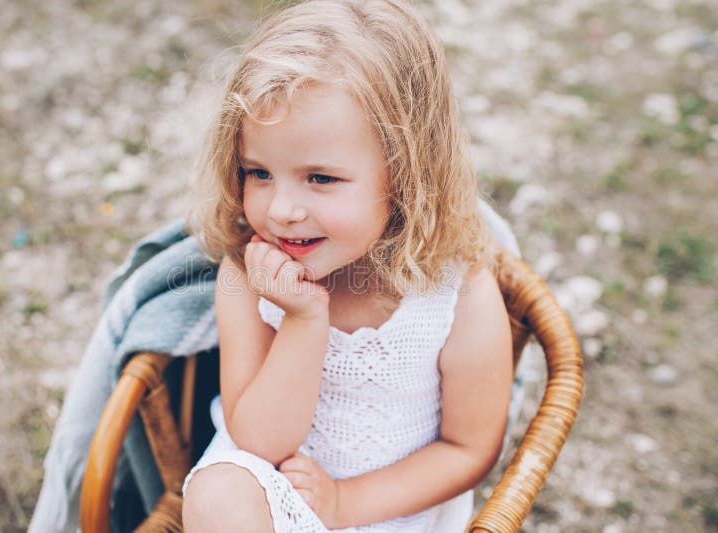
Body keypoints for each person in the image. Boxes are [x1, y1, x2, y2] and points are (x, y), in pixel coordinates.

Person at [180, 0, 513, 531]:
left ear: (404, 175)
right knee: (219, 494)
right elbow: (261, 443)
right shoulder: (246, 277)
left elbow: (468, 448)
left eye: (321, 178)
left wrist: (344, 504)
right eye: (258, 172)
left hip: (388, 506)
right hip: (270, 495)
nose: (282, 209)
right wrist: (303, 319)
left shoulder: (454, 290)